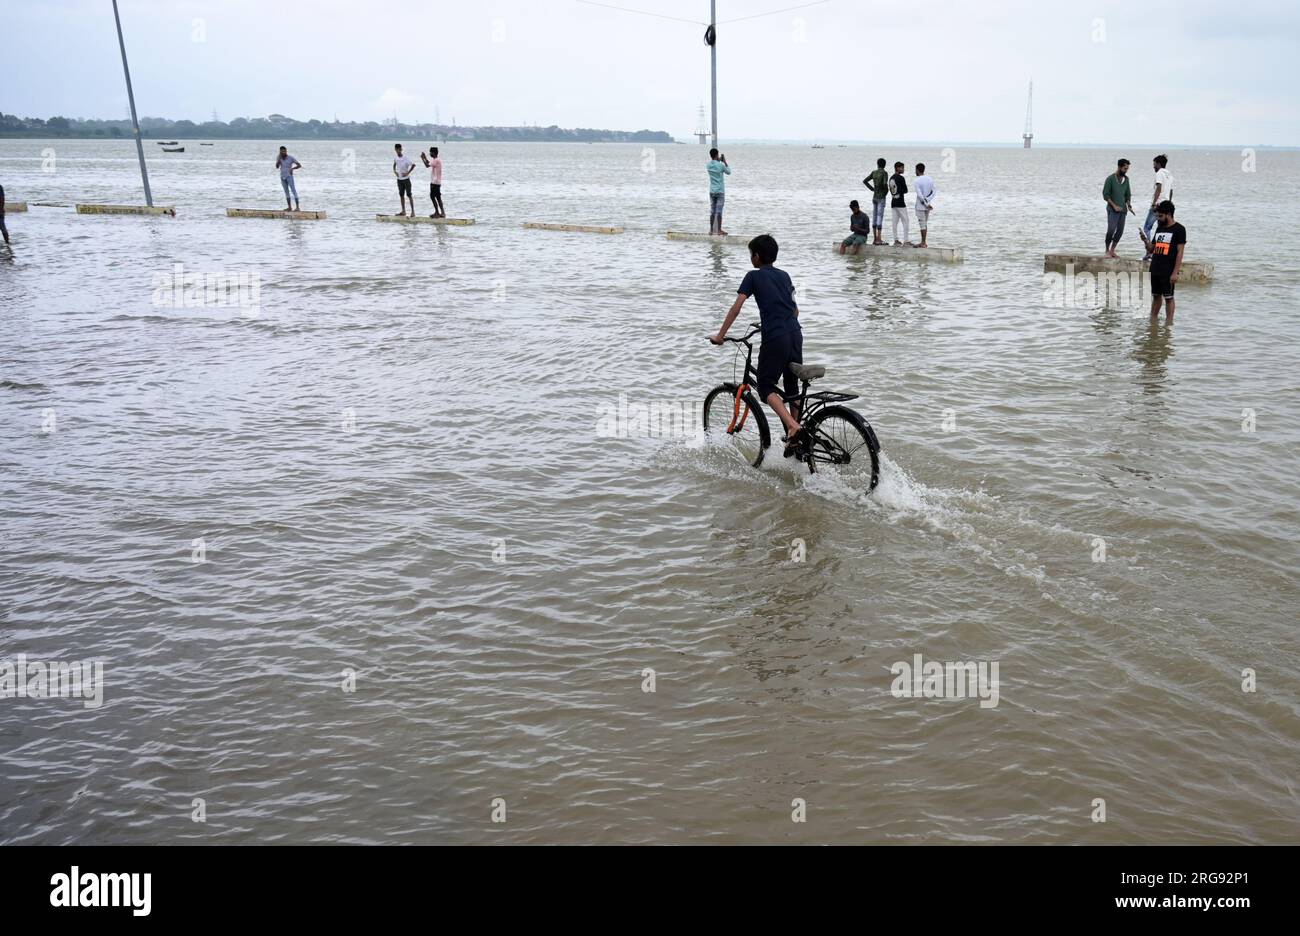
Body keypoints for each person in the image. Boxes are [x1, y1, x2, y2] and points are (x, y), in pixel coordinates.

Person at [709, 234, 805, 453]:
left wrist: (720, 335)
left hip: (776, 337)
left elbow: (737, 307)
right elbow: (795, 310)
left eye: (751, 254)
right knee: (792, 386)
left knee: (764, 386)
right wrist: (779, 323)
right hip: (795, 334)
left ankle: (792, 426)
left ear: (757, 257)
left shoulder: (752, 276)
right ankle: (794, 437)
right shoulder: (784, 275)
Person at [1138, 200, 1186, 324]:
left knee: (1169, 298)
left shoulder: (1179, 229)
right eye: (1157, 216)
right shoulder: (1159, 228)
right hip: (1155, 268)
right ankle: (1153, 322)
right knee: (1156, 296)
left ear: (1168, 214)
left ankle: (1169, 323)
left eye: (1160, 216)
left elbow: (1180, 253)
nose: (1158, 219)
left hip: (1168, 270)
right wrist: (1145, 240)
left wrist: (1175, 272)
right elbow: (1151, 249)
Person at [1141, 155, 1173, 261]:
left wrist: (1154, 203)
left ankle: (1149, 253)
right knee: (1162, 230)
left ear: (1158, 164)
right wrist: (1169, 204)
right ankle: (1161, 253)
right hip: (1166, 205)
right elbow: (1171, 191)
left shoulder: (1159, 173)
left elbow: (1158, 188)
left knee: (1147, 228)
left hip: (1158, 205)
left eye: (1154, 164)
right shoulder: (1169, 174)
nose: (1153, 167)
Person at [1103, 158, 1134, 258]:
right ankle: (1107, 250)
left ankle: (1112, 250)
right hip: (1112, 210)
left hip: (1123, 211)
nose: (1126, 170)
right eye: (1125, 168)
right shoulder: (1110, 179)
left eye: (1127, 168)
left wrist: (1129, 205)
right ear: (1119, 167)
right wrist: (1114, 206)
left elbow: (1128, 194)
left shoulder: (1126, 179)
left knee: (1120, 232)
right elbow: (1105, 195)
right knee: (1111, 230)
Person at [863, 157, 889, 244]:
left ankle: (874, 239)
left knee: (874, 217)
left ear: (877, 164)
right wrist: (886, 192)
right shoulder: (884, 173)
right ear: (884, 165)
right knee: (879, 217)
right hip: (881, 197)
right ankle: (879, 239)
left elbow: (865, 181)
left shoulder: (874, 172)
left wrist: (872, 189)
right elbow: (885, 183)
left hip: (874, 197)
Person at [707, 148, 731, 235]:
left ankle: (711, 230)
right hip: (720, 191)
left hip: (712, 191)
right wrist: (724, 161)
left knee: (712, 211)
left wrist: (718, 161)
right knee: (719, 211)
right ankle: (719, 230)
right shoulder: (721, 165)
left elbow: (715, 165)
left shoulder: (708, 165)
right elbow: (728, 172)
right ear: (717, 155)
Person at [912, 162, 936, 248]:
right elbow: (934, 192)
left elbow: (919, 195)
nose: (915, 171)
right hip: (927, 205)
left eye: (915, 170)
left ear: (917, 170)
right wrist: (928, 201)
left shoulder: (916, 181)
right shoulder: (930, 179)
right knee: (925, 224)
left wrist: (925, 202)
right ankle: (924, 242)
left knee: (922, 224)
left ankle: (923, 243)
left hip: (920, 206)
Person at [420, 146, 445, 218]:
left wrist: (422, 158)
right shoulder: (436, 160)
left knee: (433, 197)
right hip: (436, 182)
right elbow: (429, 163)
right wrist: (425, 158)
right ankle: (441, 212)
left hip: (435, 182)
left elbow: (427, 165)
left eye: (430, 152)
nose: (430, 153)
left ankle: (438, 212)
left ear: (433, 153)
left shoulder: (436, 160)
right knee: (437, 197)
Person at [889, 161, 909, 246]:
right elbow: (905, 190)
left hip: (893, 202)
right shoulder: (901, 178)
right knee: (906, 221)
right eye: (902, 168)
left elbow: (891, 190)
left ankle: (896, 240)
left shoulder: (891, 178)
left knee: (894, 222)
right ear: (898, 168)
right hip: (900, 202)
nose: (903, 169)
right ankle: (906, 240)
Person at [275, 146, 302, 212]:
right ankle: (289, 207)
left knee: (293, 191)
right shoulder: (279, 157)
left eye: (284, 151)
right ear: (280, 152)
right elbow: (277, 167)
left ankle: (297, 207)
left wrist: (292, 169)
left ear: (286, 151)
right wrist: (278, 160)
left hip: (289, 176)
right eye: (282, 151)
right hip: (282, 176)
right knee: (286, 192)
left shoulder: (290, 158)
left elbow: (299, 165)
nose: (283, 152)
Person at [393, 144, 416, 217]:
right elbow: (394, 165)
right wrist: (395, 171)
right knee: (401, 195)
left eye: (400, 149)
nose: (398, 151)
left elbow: (413, 165)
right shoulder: (396, 158)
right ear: (395, 150)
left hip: (406, 180)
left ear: (401, 149)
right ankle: (403, 211)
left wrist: (407, 172)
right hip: (399, 180)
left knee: (409, 195)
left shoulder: (405, 158)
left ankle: (413, 212)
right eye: (397, 150)